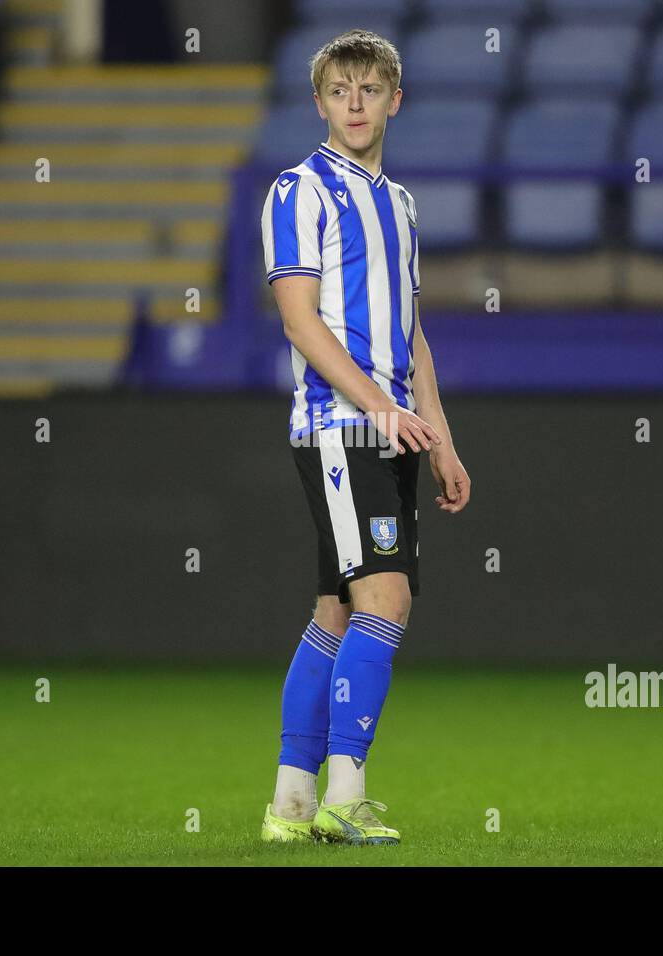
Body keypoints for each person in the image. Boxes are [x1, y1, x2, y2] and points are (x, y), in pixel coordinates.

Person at [258, 29, 471, 846]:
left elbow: (411, 335)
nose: (354, 104)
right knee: (387, 597)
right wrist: (380, 407)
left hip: (387, 429)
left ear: (394, 100)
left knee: (336, 614)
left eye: (369, 89)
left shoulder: (403, 205)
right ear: (319, 103)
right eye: (339, 91)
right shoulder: (300, 189)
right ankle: (347, 793)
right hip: (338, 428)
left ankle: (290, 806)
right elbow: (300, 320)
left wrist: (440, 440)